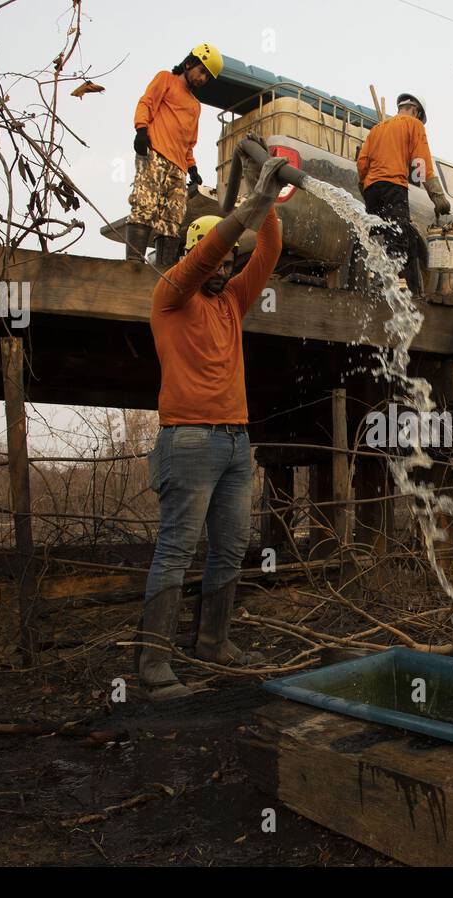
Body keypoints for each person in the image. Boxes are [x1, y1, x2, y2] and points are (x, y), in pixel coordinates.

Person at [133, 136, 290, 701]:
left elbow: (267, 254)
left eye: (229, 261)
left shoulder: (230, 301)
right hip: (190, 441)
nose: (225, 265)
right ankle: (153, 667)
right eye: (218, 258)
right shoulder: (172, 294)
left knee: (229, 548)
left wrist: (266, 200)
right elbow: (204, 253)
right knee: (175, 550)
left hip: (233, 442)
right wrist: (242, 211)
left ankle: (212, 641)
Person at [125, 42, 223, 267]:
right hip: (155, 154)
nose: (202, 79)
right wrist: (141, 130)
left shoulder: (196, 106)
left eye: (207, 77)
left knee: (173, 219)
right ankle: (132, 264)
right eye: (201, 72)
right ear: (189, 63)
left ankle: (164, 270)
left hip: (178, 168)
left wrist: (193, 168)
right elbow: (146, 103)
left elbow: (189, 142)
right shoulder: (165, 79)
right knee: (144, 205)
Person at [355, 92, 451, 292]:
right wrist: (437, 197)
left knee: (378, 233)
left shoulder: (376, 129)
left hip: (372, 188)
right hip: (394, 186)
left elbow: (362, 163)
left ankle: (377, 280)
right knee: (398, 237)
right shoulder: (414, 125)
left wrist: (365, 186)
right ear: (416, 111)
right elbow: (420, 164)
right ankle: (388, 282)